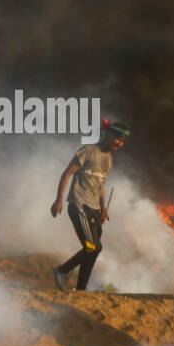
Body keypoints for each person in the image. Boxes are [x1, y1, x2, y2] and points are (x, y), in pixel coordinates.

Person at [50, 121, 129, 291]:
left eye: (122, 142)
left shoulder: (109, 158)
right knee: (92, 246)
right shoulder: (88, 151)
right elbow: (67, 173)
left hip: (94, 209)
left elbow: (101, 184)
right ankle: (61, 271)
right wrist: (59, 199)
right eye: (118, 139)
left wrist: (103, 208)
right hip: (79, 205)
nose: (120, 144)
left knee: (93, 252)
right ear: (108, 135)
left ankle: (81, 290)